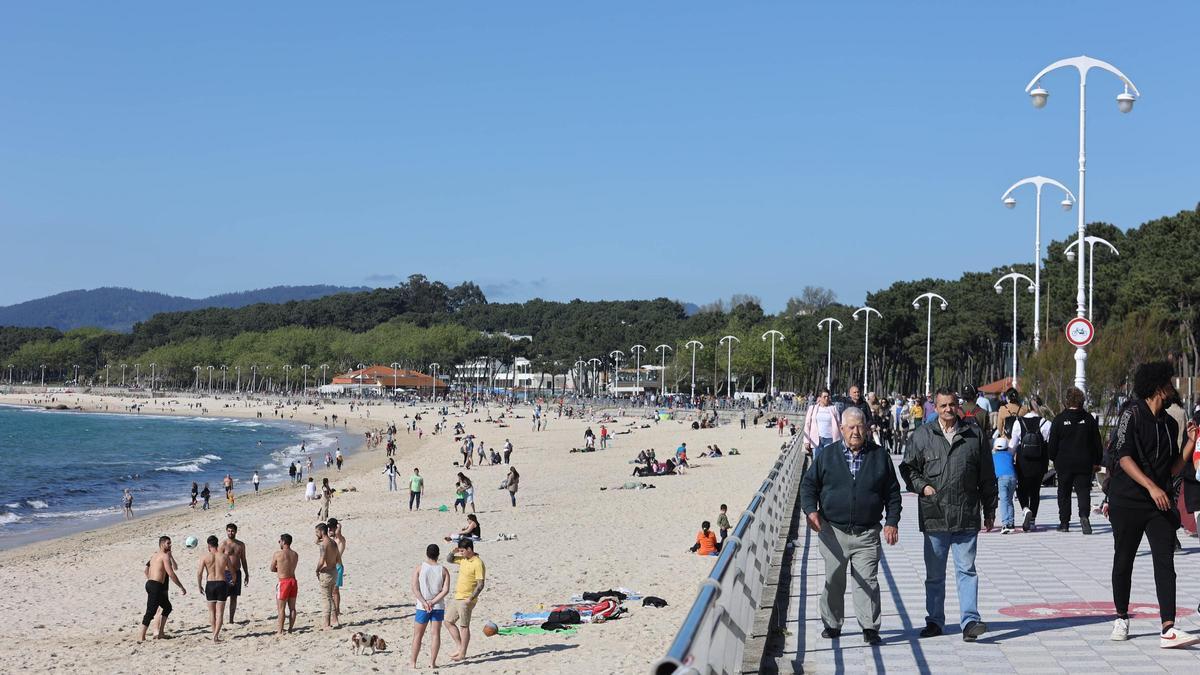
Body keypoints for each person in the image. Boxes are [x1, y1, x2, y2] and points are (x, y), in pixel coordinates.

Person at [1106, 362, 1198, 647]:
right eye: (1169, 382)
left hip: (1158, 504)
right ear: (1158, 386)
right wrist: (1151, 487)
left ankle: (1168, 627)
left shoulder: (1170, 424)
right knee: (1124, 560)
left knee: (1164, 561)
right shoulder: (1130, 414)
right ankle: (1121, 616)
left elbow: (1172, 468)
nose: (1173, 387)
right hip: (1128, 500)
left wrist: (1190, 443)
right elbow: (1123, 457)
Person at [900, 387, 996, 642]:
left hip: (966, 514)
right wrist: (923, 487)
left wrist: (990, 510)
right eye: (942, 406)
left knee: (967, 570)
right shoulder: (922, 435)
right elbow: (908, 469)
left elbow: (987, 476)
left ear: (958, 405)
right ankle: (934, 620)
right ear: (936, 407)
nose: (948, 410)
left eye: (952, 405)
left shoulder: (974, 435)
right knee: (934, 575)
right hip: (935, 515)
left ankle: (970, 621)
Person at [800, 406, 901, 645]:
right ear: (842, 429)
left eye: (860, 426)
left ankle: (870, 627)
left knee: (867, 580)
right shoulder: (827, 455)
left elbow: (893, 493)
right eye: (851, 427)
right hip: (833, 531)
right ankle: (833, 623)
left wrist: (892, 522)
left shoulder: (879, 456)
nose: (856, 432)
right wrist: (811, 510)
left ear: (866, 428)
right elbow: (808, 486)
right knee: (834, 579)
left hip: (867, 533)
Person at [1047, 386, 1103, 534]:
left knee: (1064, 492)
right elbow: (1097, 442)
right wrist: (1097, 461)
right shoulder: (1088, 419)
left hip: (1064, 463)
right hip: (1084, 463)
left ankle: (1064, 523)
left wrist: (1053, 458)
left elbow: (1052, 445)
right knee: (1083, 491)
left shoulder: (1059, 420)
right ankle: (1084, 516)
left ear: (1067, 401)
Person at [1009, 402, 1051, 532]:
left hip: (1023, 462)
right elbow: (1049, 443)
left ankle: (1025, 509)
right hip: (1039, 463)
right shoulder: (1045, 423)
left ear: (1027, 408)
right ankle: (1032, 521)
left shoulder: (1018, 422)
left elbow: (1013, 444)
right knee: (1035, 491)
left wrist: (1009, 458)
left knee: (1021, 488)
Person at [139, 536, 186, 642]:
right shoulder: (164, 556)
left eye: (170, 543)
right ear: (162, 544)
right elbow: (171, 573)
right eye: (168, 543)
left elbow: (148, 570)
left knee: (167, 607)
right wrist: (181, 586)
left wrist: (150, 580)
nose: (170, 545)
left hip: (151, 584)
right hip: (155, 586)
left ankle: (160, 633)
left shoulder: (154, 555)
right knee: (150, 612)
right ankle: (141, 637)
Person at [445, 539, 486, 662]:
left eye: (463, 551)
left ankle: (462, 653)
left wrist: (471, 598)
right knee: (448, 621)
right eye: (460, 551)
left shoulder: (478, 563)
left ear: (469, 549)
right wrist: (454, 551)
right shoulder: (463, 559)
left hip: (467, 599)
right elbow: (449, 559)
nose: (461, 553)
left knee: (464, 626)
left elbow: (481, 584)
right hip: (457, 597)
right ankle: (459, 646)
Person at [411, 543, 450, 669]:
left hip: (422, 606)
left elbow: (415, 589)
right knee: (435, 634)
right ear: (438, 555)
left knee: (418, 635)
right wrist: (433, 602)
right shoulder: (443, 570)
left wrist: (424, 602)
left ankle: (413, 662)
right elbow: (445, 590)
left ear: (427, 554)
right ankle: (432, 663)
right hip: (437, 606)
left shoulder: (420, 568)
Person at [196, 535, 230, 642]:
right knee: (220, 613)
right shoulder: (224, 556)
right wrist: (233, 579)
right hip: (221, 583)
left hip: (210, 584)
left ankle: (213, 632)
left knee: (212, 612)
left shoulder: (204, 557)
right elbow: (232, 570)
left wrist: (199, 585)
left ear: (208, 546)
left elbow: (199, 573)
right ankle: (216, 635)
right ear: (217, 544)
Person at [221, 523, 249, 624]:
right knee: (223, 598)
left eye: (232, 531)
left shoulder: (240, 545)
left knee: (234, 597)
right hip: (226, 573)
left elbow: (244, 559)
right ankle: (220, 620)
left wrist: (247, 573)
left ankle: (231, 620)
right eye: (228, 531)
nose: (230, 533)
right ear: (226, 531)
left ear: (236, 532)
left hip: (237, 572)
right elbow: (219, 560)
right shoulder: (223, 544)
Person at [270, 533, 299, 636]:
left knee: (281, 608)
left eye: (280, 541)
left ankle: (280, 631)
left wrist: (279, 568)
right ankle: (290, 628)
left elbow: (272, 568)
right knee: (292, 607)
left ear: (283, 542)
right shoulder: (295, 554)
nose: (279, 543)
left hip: (283, 581)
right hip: (293, 581)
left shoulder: (278, 554)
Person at [314, 522, 340, 630]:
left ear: (321, 531)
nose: (316, 534)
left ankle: (327, 623)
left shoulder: (324, 544)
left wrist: (317, 570)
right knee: (330, 596)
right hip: (334, 571)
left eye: (317, 532)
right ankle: (335, 620)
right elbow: (338, 557)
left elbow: (321, 560)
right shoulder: (333, 542)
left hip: (327, 572)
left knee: (326, 598)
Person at [804, 389, 842, 460]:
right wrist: (806, 441)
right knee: (817, 460)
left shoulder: (833, 409)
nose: (826, 398)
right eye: (824, 397)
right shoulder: (812, 408)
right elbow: (807, 424)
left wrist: (841, 440)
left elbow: (839, 424)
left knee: (828, 460)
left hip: (830, 439)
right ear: (820, 398)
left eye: (828, 396)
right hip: (816, 439)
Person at [992, 437, 1017, 534]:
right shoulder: (1009, 454)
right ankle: (1011, 523)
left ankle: (1005, 524)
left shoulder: (993, 456)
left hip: (1002, 478)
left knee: (1003, 501)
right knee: (1009, 500)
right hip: (1012, 477)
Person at [328, 518, 347, 619]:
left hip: (338, 566)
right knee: (332, 590)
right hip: (330, 567)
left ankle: (337, 610)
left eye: (331, 528)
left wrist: (338, 526)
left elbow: (338, 533)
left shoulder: (340, 539)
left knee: (335, 590)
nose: (330, 530)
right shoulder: (330, 540)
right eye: (329, 528)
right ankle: (335, 609)